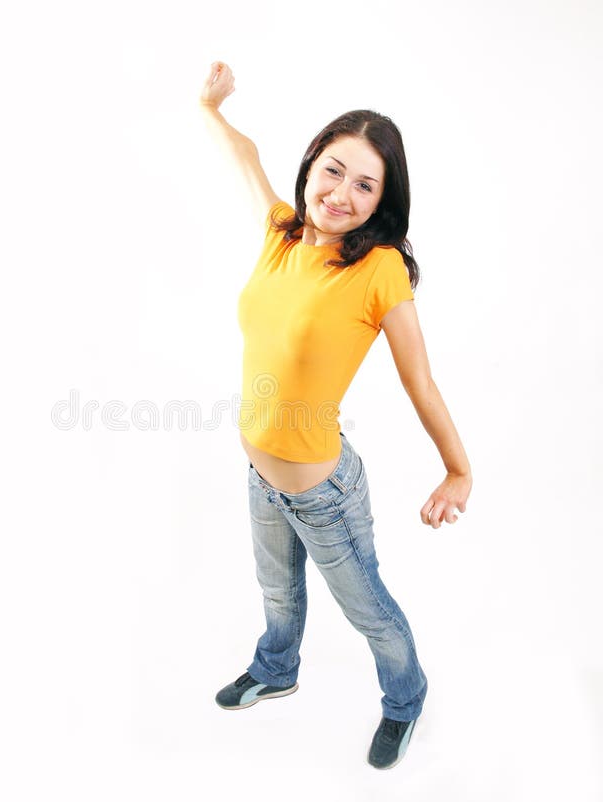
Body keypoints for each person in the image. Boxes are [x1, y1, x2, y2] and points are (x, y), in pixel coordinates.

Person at [199, 61, 472, 770]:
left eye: (364, 184)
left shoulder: (378, 268)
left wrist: (458, 469)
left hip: (323, 492)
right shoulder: (282, 232)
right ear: (312, 165)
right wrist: (210, 107)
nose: (340, 193)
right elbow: (244, 155)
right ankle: (277, 667)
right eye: (332, 170)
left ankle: (406, 699)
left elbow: (421, 380)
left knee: (369, 612)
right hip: (262, 473)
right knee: (276, 589)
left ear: (382, 199)